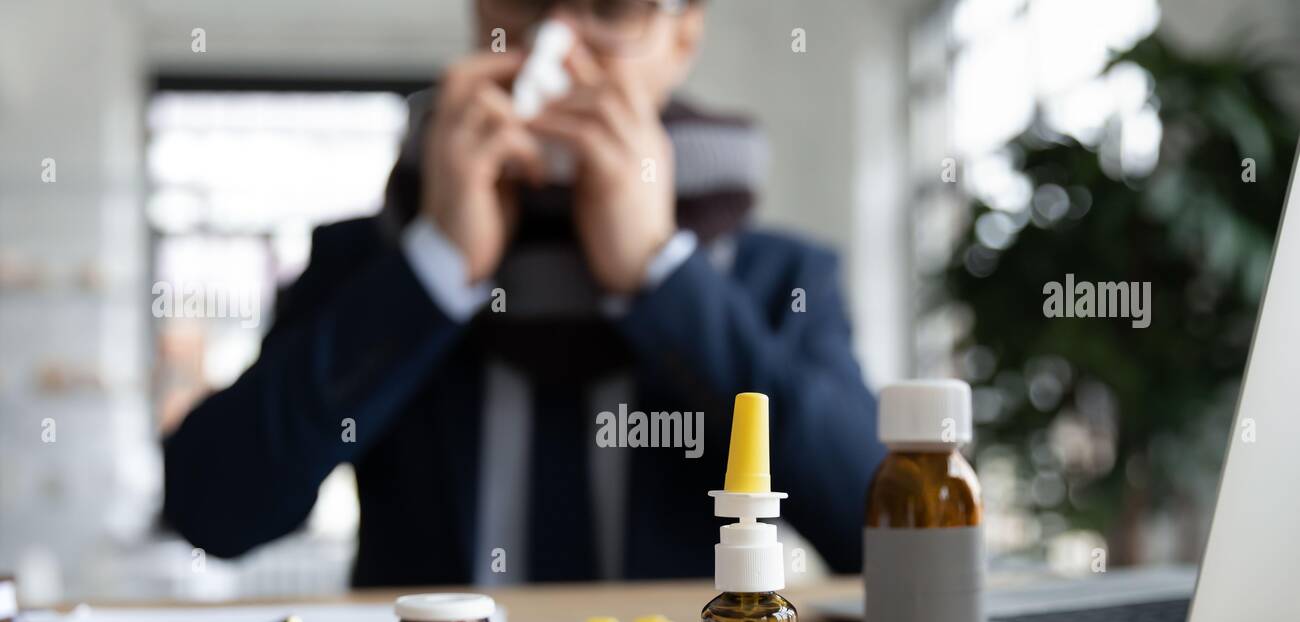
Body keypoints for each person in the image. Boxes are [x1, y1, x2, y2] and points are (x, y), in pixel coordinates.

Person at [163, 0, 885, 587]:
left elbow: (878, 532)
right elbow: (215, 510)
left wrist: (660, 274)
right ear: (482, 17)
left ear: (683, 34)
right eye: (528, 5)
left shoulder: (776, 278)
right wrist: (435, 269)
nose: (559, 43)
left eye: (611, 8)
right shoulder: (367, 261)